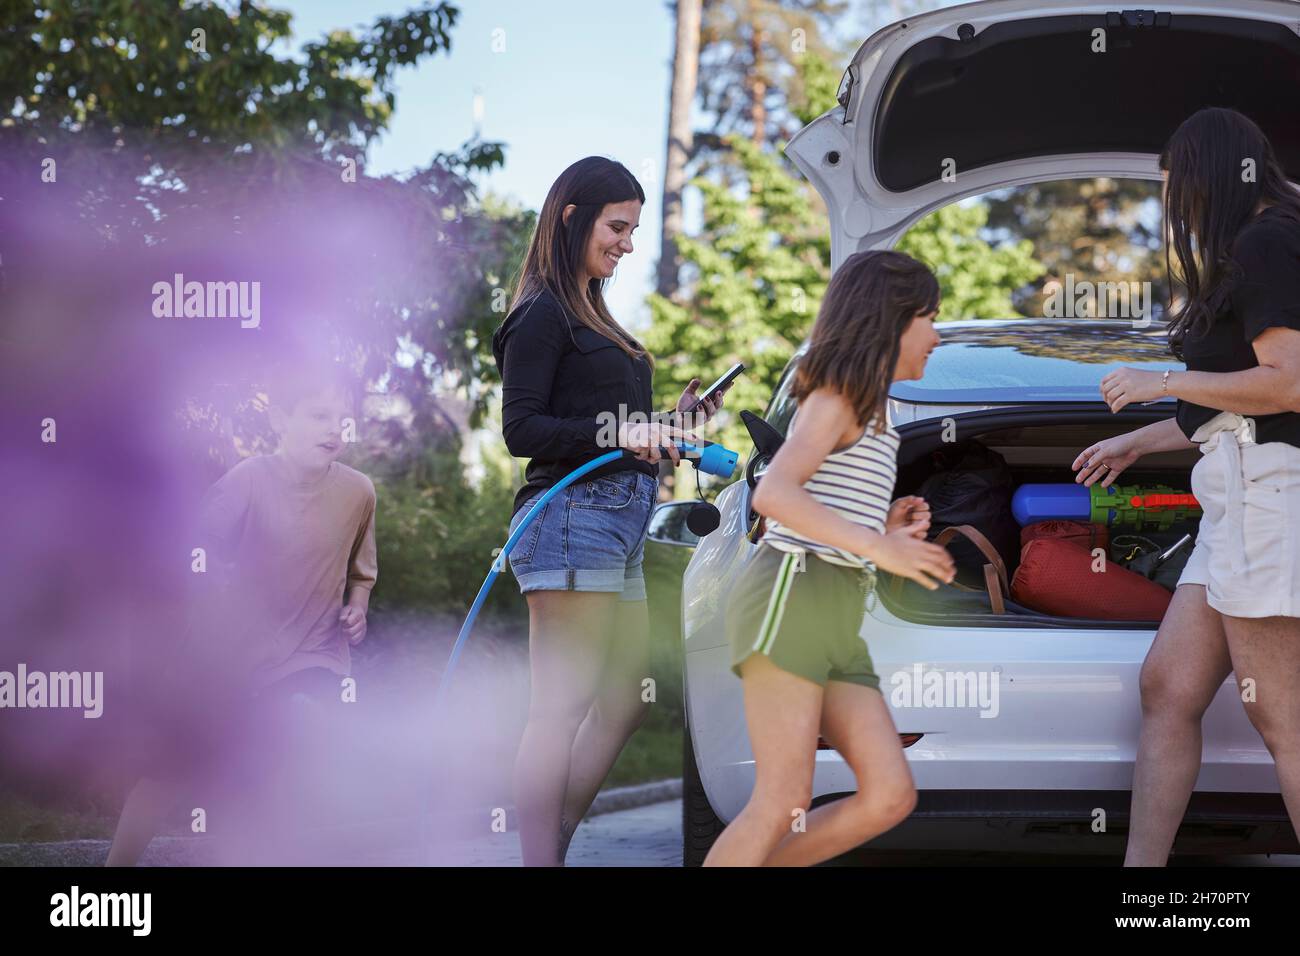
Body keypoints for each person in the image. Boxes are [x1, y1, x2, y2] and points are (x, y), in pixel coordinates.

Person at [1071, 107, 1300, 865]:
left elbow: (1288, 385)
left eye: (1177, 189)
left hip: (1271, 500)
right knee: (1168, 688)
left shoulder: (1267, 241)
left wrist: (1158, 379)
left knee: (1284, 724)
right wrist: (1141, 438)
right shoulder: (1261, 240)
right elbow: (1232, 402)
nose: (1175, 208)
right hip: (1236, 498)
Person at [491, 156, 727, 865]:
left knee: (625, 700)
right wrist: (621, 432)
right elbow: (521, 430)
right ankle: (541, 856)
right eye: (616, 226)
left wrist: (669, 421)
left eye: (632, 228)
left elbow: (604, 426)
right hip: (568, 517)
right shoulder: (540, 314)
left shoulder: (594, 312)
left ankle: (548, 842)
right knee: (559, 709)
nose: (628, 241)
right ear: (570, 219)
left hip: (617, 519)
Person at [703, 250, 955, 867]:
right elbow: (774, 493)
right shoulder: (835, 397)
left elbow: (824, 503)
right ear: (890, 320)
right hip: (790, 596)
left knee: (890, 794)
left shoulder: (876, 414)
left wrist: (883, 522)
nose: (938, 334)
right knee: (782, 797)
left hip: (835, 613)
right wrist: (879, 547)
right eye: (929, 316)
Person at [106, 365, 377, 865]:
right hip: (228, 655)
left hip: (314, 653)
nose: (335, 428)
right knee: (165, 773)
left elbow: (362, 573)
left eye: (343, 418)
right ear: (279, 419)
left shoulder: (359, 492)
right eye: (320, 415)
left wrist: (357, 609)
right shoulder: (249, 480)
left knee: (305, 734)